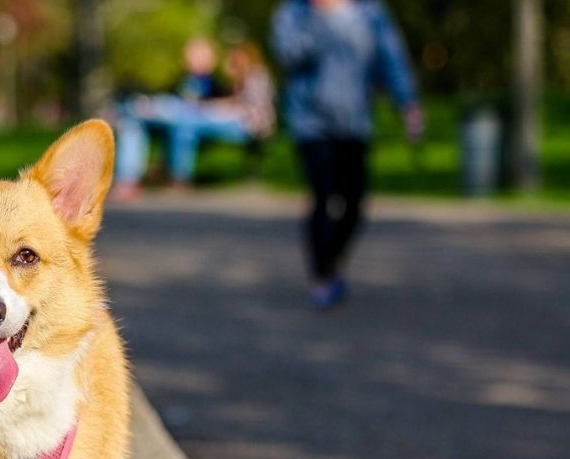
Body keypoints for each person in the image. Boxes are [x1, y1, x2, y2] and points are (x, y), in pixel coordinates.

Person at [272, 0, 424, 310]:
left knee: (355, 201)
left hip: (355, 121)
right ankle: (322, 276)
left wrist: (407, 103)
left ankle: (332, 259)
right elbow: (289, 55)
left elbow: (390, 57)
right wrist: (320, 18)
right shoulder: (294, 13)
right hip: (311, 122)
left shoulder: (370, 13)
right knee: (324, 195)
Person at [113, 40, 275, 199]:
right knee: (135, 122)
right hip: (193, 118)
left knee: (183, 122)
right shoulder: (185, 79)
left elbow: (245, 108)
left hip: (249, 126)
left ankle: (175, 176)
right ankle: (131, 179)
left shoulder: (252, 76)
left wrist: (214, 105)